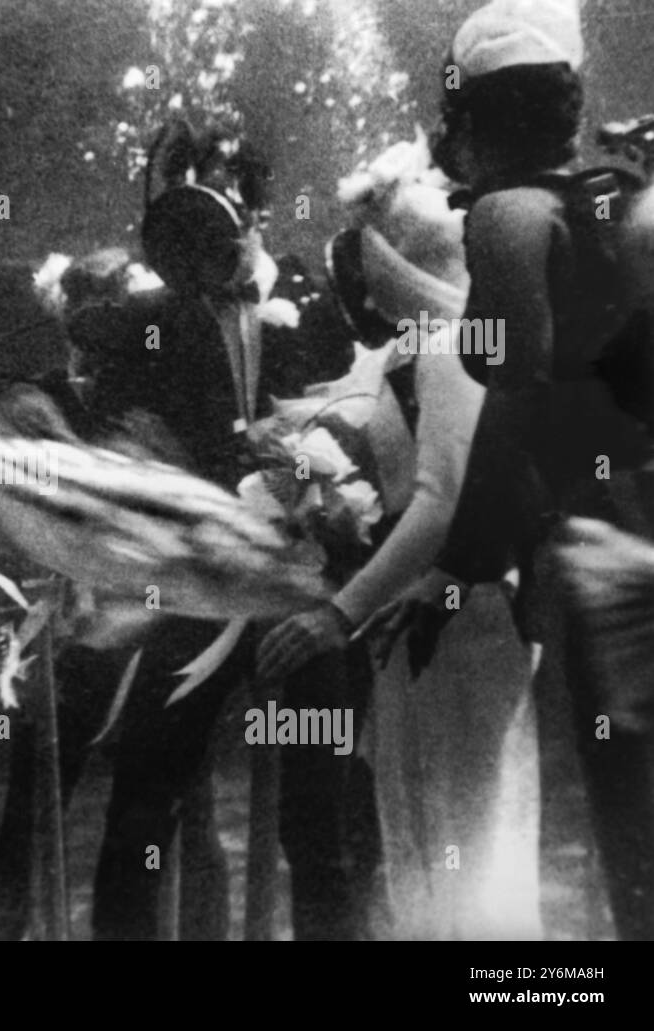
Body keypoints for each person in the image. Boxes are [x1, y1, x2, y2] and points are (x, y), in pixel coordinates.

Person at [0, 118, 381, 940]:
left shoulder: (316, 298)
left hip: (301, 597)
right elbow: (99, 427)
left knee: (320, 820)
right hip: (187, 596)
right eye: (184, 195)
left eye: (227, 192)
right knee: (143, 805)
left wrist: (317, 477)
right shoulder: (138, 318)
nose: (210, 216)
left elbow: (374, 425)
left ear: (258, 201)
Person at [255, 133, 542, 939]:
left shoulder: (451, 347)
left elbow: (440, 501)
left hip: (464, 624)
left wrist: (334, 614)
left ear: (385, 260)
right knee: (430, 832)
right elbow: (362, 407)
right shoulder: (424, 346)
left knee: (466, 838)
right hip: (427, 630)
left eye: (362, 259)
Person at [416, 0, 654, 941]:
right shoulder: (616, 192)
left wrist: (459, 559)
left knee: (630, 820)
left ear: (476, 124)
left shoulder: (510, 215)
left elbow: (513, 386)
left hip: (609, 546)